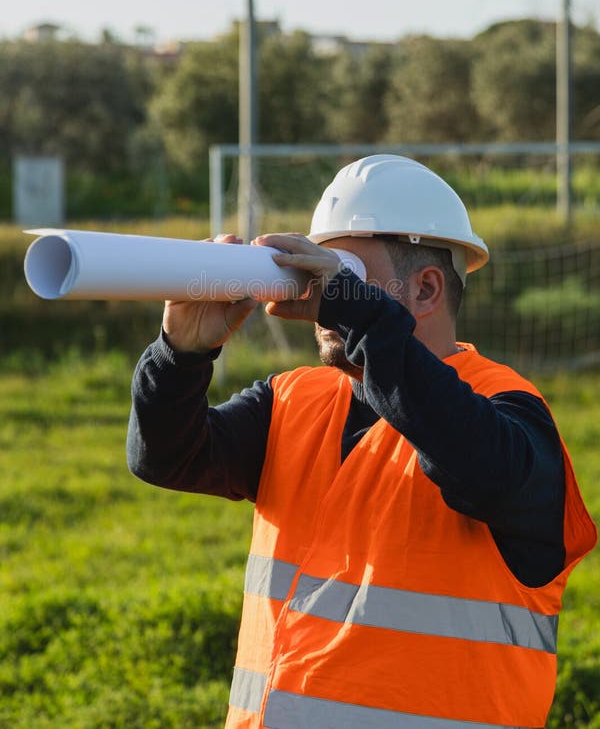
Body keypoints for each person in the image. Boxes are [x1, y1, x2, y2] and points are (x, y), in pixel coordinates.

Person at [128, 154, 596, 729]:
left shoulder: (509, 412)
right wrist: (180, 353)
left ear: (426, 288)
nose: (320, 293)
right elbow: (165, 457)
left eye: (343, 272)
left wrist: (356, 310)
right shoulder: (293, 401)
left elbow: (476, 460)